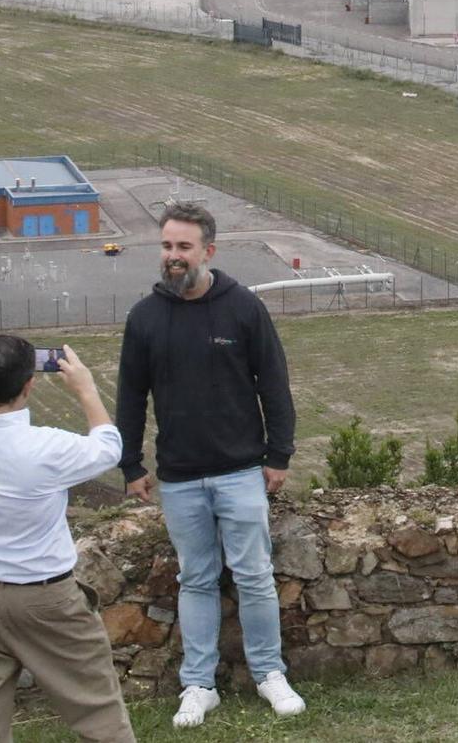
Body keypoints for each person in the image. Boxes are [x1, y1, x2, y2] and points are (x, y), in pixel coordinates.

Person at [116, 201, 304, 727]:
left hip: (242, 470)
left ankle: (269, 674)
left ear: (208, 251)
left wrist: (279, 454)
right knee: (195, 580)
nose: (173, 257)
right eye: (166, 246)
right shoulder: (145, 317)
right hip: (178, 476)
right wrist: (131, 464)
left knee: (255, 576)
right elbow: (130, 397)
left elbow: (274, 382)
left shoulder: (242, 307)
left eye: (183, 247)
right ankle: (199, 686)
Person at [0, 337, 134, 742]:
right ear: (29, 385)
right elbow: (108, 448)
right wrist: (86, 388)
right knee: (96, 709)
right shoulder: (46, 448)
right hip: (45, 597)